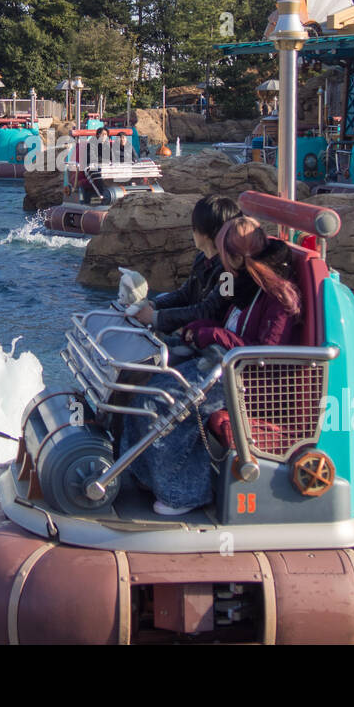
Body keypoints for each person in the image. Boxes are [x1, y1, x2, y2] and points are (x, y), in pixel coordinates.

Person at [120, 217, 301, 516]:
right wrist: (197, 328)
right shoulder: (246, 284)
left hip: (245, 381)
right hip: (220, 367)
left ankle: (184, 494)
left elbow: (266, 355)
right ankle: (147, 476)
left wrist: (209, 334)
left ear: (233, 256)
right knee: (147, 391)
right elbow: (220, 319)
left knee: (165, 405)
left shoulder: (277, 296)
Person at [134, 195, 242, 342]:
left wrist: (156, 317)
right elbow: (185, 294)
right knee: (160, 297)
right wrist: (154, 304)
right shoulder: (202, 259)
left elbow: (211, 311)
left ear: (205, 233)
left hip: (208, 342)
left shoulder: (229, 272)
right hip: (192, 330)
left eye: (194, 227)